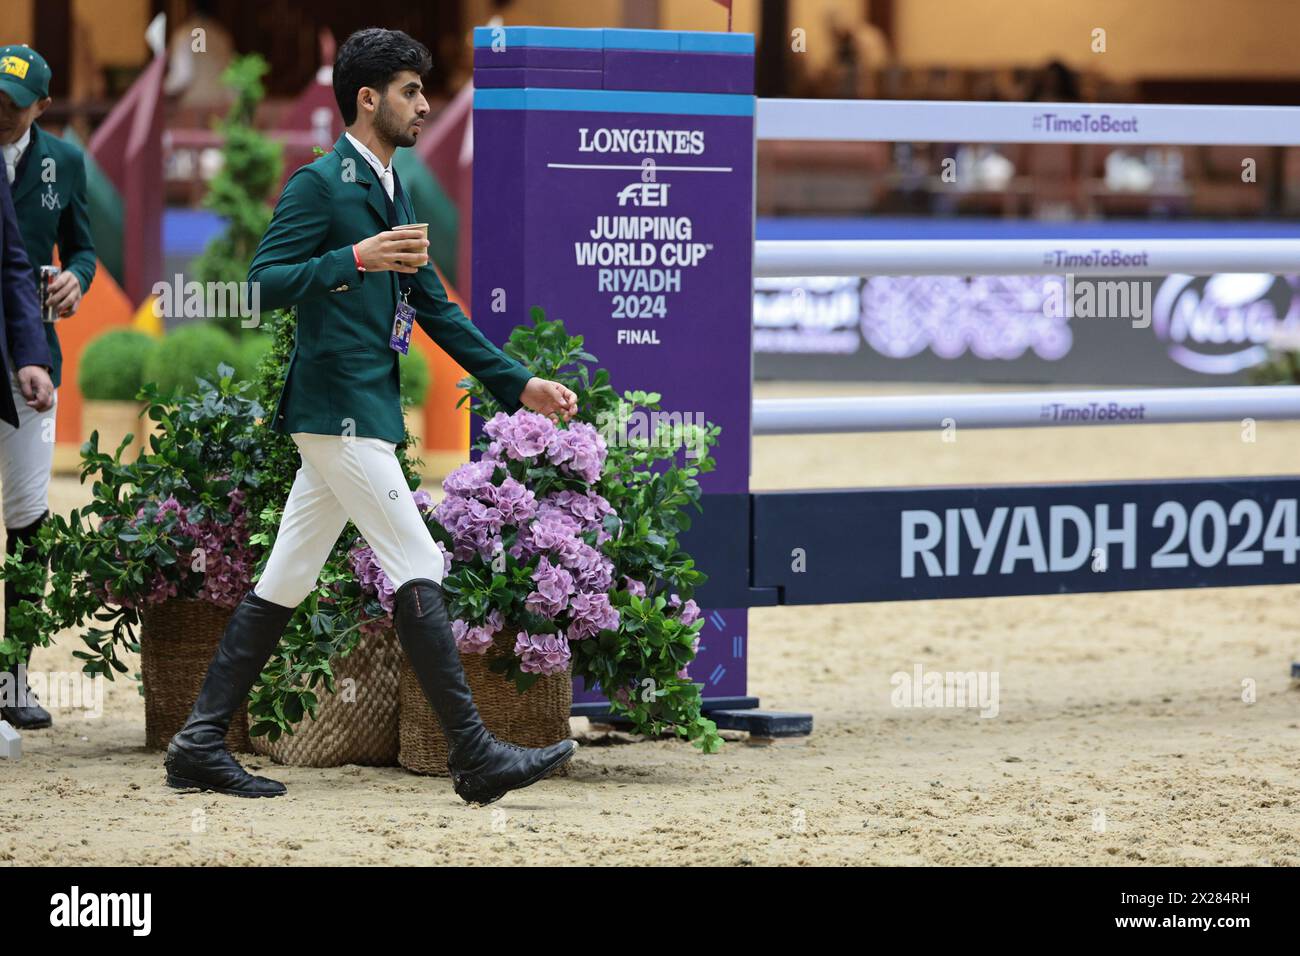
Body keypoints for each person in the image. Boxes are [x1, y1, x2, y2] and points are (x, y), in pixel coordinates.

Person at [165, 27, 580, 804]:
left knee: (286, 576)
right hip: (334, 411)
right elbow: (260, 284)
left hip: (363, 409)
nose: (425, 103)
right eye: (411, 91)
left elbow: (433, 307)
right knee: (419, 563)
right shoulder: (319, 184)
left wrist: (516, 383)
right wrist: (352, 261)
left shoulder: (397, 189)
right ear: (367, 99)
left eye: (425, 90)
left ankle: (195, 742)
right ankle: (475, 757)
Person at [0, 44, 96, 732]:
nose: (1, 111)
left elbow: (83, 247)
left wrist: (76, 279)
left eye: (14, 102)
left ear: (43, 104)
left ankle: (14, 676)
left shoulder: (65, 161)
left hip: (32, 356)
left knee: (29, 516)